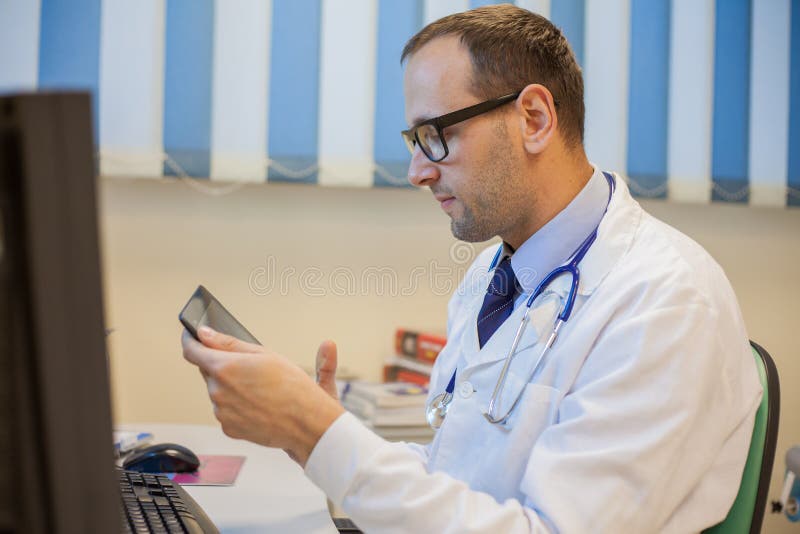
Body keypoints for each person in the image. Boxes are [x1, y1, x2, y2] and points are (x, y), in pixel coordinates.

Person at [182, 5, 762, 532]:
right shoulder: (493, 273)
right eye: (414, 138)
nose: (416, 171)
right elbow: (458, 476)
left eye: (435, 135)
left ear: (534, 117)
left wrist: (320, 434)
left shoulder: (666, 300)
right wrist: (319, 433)